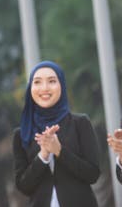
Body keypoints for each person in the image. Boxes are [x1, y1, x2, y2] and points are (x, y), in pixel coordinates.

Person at [12, 61, 99, 206]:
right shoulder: (21, 134)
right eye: (37, 82)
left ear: (62, 86)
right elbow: (23, 186)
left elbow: (93, 174)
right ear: (30, 88)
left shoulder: (80, 123)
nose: (44, 88)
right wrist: (43, 155)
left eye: (52, 81)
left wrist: (59, 151)